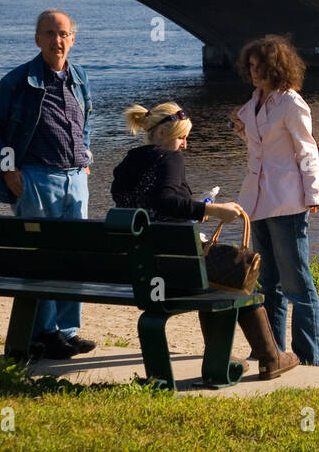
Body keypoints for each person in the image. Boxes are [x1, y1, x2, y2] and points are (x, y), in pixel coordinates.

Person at [112, 102, 299, 380]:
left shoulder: (128, 162)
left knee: (210, 279)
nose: (185, 145)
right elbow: (166, 200)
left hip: (144, 275)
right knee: (235, 281)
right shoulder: (169, 158)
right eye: (182, 137)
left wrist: (189, 209)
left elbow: (142, 204)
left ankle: (229, 355)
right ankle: (270, 358)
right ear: (162, 133)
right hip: (176, 273)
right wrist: (212, 209)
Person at [0, 9, 96, 359]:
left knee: (73, 256)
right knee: (43, 257)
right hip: (36, 178)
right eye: (49, 34)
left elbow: (86, 120)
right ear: (37, 39)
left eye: (63, 34)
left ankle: (68, 331)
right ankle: (45, 333)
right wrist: (7, 167)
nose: (57, 41)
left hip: (76, 179)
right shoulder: (17, 82)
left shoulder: (81, 77)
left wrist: (85, 158)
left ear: (72, 38)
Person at [229, 35, 319, 366]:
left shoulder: (291, 103)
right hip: (257, 202)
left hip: (286, 202)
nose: (253, 72)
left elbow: (307, 151)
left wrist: (316, 197)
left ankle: (311, 358)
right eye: (250, 66)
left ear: (275, 67)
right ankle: (271, 353)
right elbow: (260, 145)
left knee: (297, 283)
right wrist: (240, 128)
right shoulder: (254, 100)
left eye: (259, 66)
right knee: (267, 282)